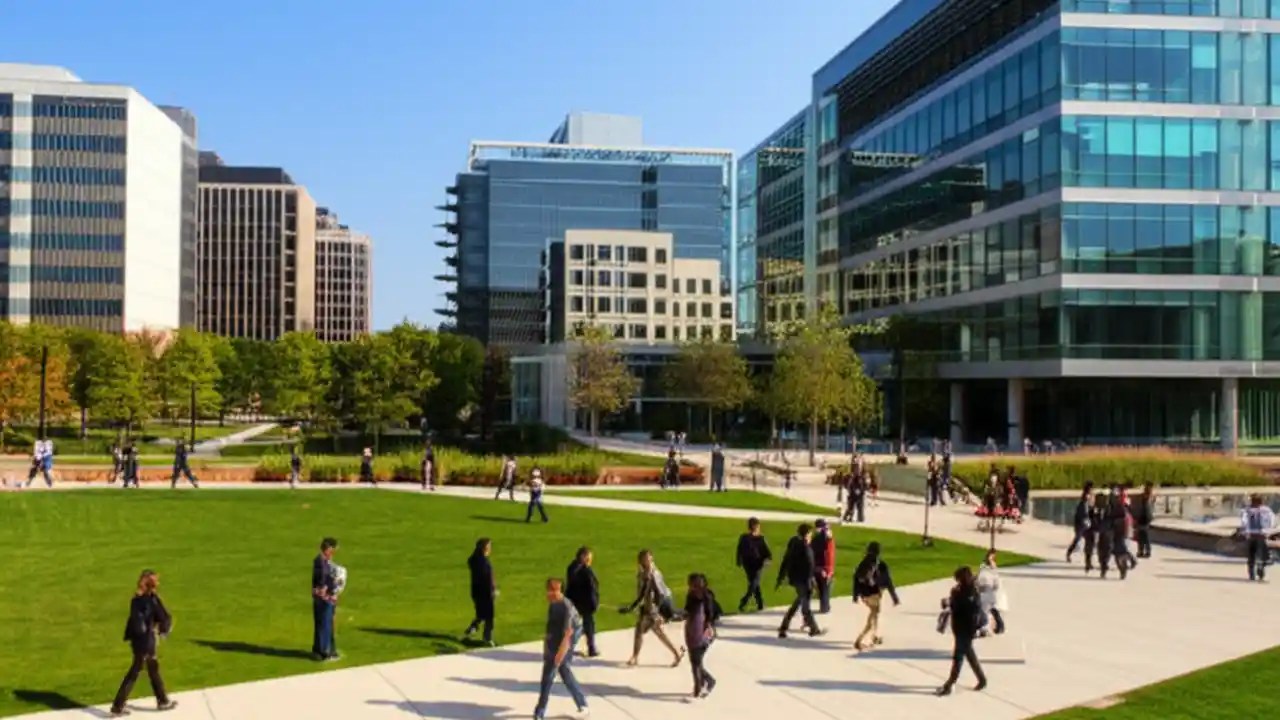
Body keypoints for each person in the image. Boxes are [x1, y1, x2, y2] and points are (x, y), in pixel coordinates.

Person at [109, 570, 177, 717]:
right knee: (135, 673)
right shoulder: (153, 600)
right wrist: (164, 630)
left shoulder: (135, 600)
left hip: (137, 642)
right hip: (147, 642)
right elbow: (164, 617)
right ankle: (117, 706)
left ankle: (162, 700)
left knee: (152, 670)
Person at [533, 578, 589, 720]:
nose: (549, 593)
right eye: (548, 590)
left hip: (571, 633)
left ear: (559, 591)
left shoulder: (566, 608)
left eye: (553, 590)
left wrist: (560, 654)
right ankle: (582, 704)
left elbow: (567, 635)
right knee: (553, 671)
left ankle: (540, 711)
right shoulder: (553, 604)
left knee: (556, 668)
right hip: (559, 634)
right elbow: (550, 628)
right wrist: (547, 646)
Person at [622, 549, 683, 667]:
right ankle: (676, 653)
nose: (645, 562)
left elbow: (659, 594)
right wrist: (633, 607)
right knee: (655, 631)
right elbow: (642, 593)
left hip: (652, 608)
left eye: (647, 559)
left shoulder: (651, 574)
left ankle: (635, 656)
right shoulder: (644, 572)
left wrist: (658, 612)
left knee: (643, 630)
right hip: (648, 606)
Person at [936, 566, 987, 696]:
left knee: (958, 658)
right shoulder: (961, 591)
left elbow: (967, 610)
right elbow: (956, 605)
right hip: (959, 628)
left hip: (965, 630)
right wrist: (950, 601)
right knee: (969, 655)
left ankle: (949, 684)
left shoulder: (969, 593)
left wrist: (952, 601)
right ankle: (982, 679)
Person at [776, 523, 825, 639]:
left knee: (797, 603)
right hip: (804, 581)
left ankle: (784, 627)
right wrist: (814, 582)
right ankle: (814, 628)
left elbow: (787, 559)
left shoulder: (794, 543)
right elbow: (809, 567)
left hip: (796, 579)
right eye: (810, 534)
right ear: (807, 534)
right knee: (805, 607)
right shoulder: (806, 549)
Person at [852, 541, 900, 651]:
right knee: (873, 616)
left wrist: (855, 596)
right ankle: (860, 640)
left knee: (876, 613)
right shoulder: (880, 564)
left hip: (865, 595)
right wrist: (894, 597)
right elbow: (888, 581)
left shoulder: (862, 563)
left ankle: (874, 635)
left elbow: (855, 579)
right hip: (874, 594)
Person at [683, 573, 719, 701]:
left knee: (696, 663)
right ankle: (705, 682)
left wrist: (708, 628)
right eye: (692, 584)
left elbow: (711, 615)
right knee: (695, 662)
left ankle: (700, 687)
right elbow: (687, 611)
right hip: (692, 631)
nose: (693, 587)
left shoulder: (707, 597)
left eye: (697, 584)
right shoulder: (691, 596)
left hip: (703, 634)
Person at [566, 546, 600, 657]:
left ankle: (569, 648)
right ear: (583, 556)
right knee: (586, 626)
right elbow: (591, 588)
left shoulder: (572, 567)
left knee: (575, 626)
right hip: (584, 603)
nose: (590, 559)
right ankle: (591, 648)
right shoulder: (585, 570)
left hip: (575, 602)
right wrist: (594, 603)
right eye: (589, 557)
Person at [735, 517, 772, 612]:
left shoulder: (761, 538)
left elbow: (767, 552)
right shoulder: (744, 537)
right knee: (755, 584)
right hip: (748, 564)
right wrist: (739, 560)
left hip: (758, 565)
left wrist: (767, 560)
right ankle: (760, 603)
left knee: (753, 583)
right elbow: (739, 549)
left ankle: (744, 601)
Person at [311, 537, 340, 661]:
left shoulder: (322, 561)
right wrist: (329, 593)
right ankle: (324, 651)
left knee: (322, 624)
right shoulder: (322, 563)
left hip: (323, 597)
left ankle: (321, 650)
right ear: (328, 549)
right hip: (324, 599)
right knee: (325, 624)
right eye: (333, 550)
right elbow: (322, 581)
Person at [465, 538, 496, 646]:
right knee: (489, 616)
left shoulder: (475, 560)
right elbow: (487, 579)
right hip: (485, 593)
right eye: (488, 546)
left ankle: (472, 628)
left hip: (476, 591)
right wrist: (492, 591)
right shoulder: (484, 562)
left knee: (481, 613)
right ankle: (487, 638)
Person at [1240, 494, 1277, 582]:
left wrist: (1245, 532)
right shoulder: (1266, 510)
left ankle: (1252, 573)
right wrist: (1269, 530)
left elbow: (1244, 522)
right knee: (1261, 555)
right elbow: (1272, 520)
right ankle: (1259, 571)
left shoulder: (1247, 510)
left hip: (1252, 535)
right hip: (1261, 535)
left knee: (1252, 556)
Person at [976, 550, 1007, 636]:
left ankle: (984, 628)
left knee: (985, 610)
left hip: (987, 591)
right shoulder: (984, 567)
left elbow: (994, 580)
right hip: (988, 591)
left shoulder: (991, 567)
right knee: (989, 609)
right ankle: (997, 626)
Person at [1066, 482, 1095, 564]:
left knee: (1089, 542)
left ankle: (1088, 560)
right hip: (1081, 523)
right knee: (1077, 540)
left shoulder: (1089, 497)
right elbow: (1082, 512)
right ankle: (1069, 553)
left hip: (1086, 522)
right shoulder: (1083, 501)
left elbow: (1091, 507)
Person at [811, 519, 836, 614]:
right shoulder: (827, 540)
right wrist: (829, 570)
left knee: (821, 588)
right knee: (825, 588)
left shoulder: (815, 538)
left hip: (817, 567)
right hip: (824, 567)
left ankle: (824, 606)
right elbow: (829, 555)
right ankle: (825, 607)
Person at [1133, 483, 1155, 559]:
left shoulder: (1148, 498)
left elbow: (1147, 509)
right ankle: (1142, 551)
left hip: (1144, 519)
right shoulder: (1147, 498)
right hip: (1143, 518)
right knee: (1143, 536)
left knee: (1144, 536)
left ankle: (1144, 551)